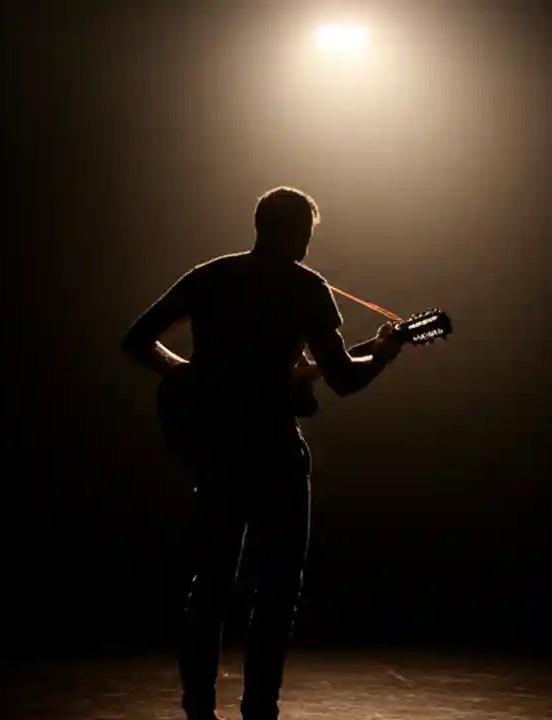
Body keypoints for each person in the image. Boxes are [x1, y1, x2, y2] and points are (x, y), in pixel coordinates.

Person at [121, 186, 405, 719]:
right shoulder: (305, 289)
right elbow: (342, 378)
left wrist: (185, 374)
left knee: (210, 584)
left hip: (218, 452)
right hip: (274, 452)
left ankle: (200, 709)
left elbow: (137, 339)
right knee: (277, 590)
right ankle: (259, 709)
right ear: (297, 231)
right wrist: (385, 354)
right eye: (305, 235)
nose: (305, 247)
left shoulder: (209, 277)